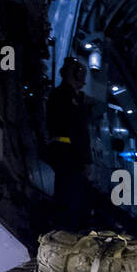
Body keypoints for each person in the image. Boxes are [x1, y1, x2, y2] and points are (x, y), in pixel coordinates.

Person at [44, 57, 93, 232]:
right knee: (70, 197)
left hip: (61, 151)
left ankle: (62, 229)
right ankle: (66, 232)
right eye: (82, 76)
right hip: (69, 153)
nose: (84, 81)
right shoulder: (67, 97)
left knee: (65, 194)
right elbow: (78, 130)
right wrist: (86, 160)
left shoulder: (58, 94)